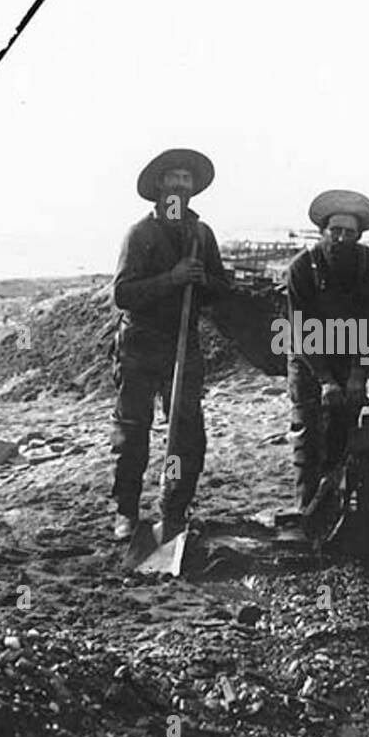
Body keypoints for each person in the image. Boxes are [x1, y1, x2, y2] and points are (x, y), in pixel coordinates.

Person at [110, 148, 230, 541]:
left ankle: (174, 508)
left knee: (184, 433)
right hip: (140, 346)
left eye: (186, 178)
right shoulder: (140, 234)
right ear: (160, 185)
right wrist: (172, 278)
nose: (180, 185)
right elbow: (123, 294)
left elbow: (221, 289)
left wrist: (203, 280)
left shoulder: (201, 235)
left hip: (183, 345)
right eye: (173, 177)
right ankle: (126, 511)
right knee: (133, 433)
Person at [285, 190, 369, 528]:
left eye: (349, 232)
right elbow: (299, 330)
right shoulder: (301, 268)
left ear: (359, 236)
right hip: (308, 354)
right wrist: (326, 381)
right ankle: (307, 510)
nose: (341, 238)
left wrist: (358, 373)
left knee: (345, 432)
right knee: (308, 432)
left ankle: (336, 510)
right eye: (335, 231)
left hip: (350, 352)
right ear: (322, 232)